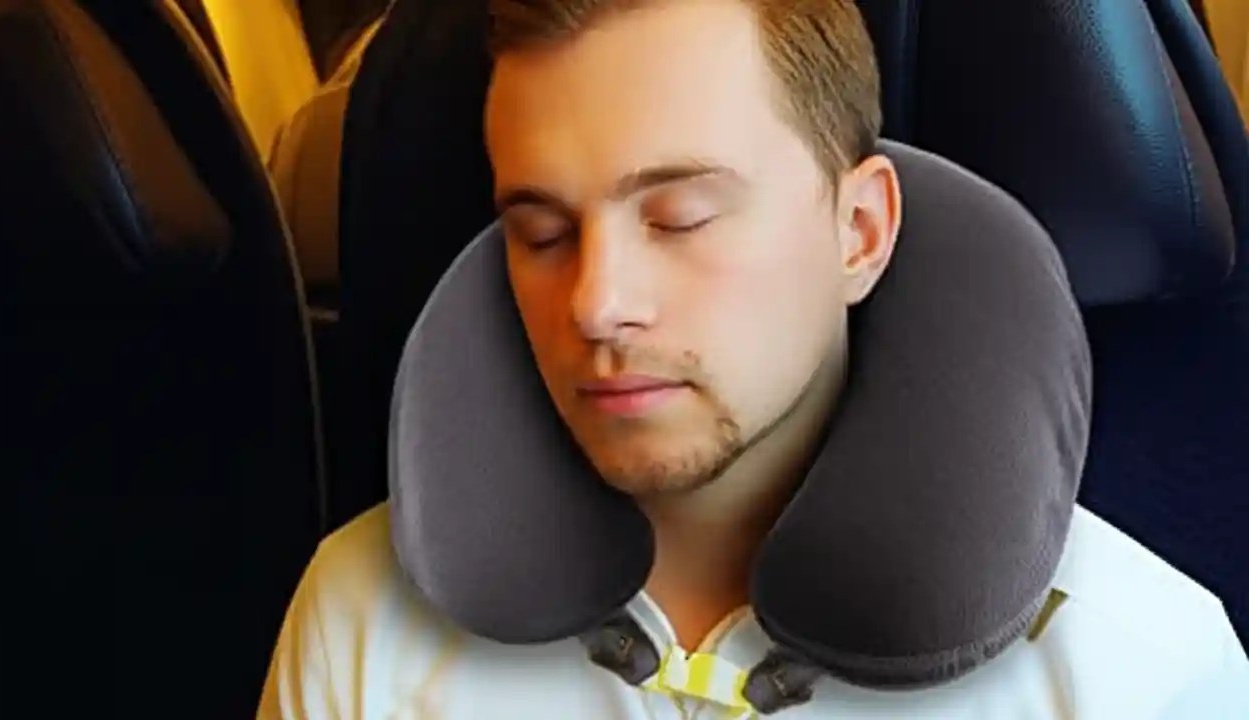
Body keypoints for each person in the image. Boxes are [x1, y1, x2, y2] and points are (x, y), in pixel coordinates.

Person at [257, 0, 1249, 717]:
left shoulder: (1133, 665)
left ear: (857, 232)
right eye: (542, 232)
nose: (597, 304)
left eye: (680, 218)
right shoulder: (363, 621)